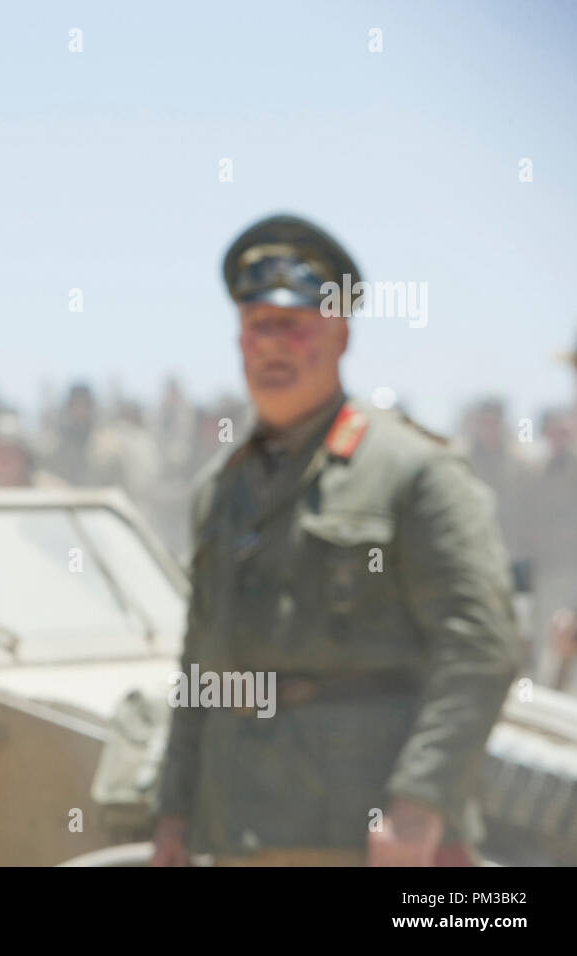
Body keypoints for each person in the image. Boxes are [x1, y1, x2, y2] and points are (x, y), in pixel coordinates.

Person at [151, 213, 521, 867]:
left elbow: (481, 650)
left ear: (341, 334)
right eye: (256, 326)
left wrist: (418, 804)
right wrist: (174, 813)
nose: (272, 346)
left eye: (294, 325)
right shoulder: (222, 489)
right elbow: (200, 668)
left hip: (368, 838)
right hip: (236, 829)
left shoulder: (413, 472)